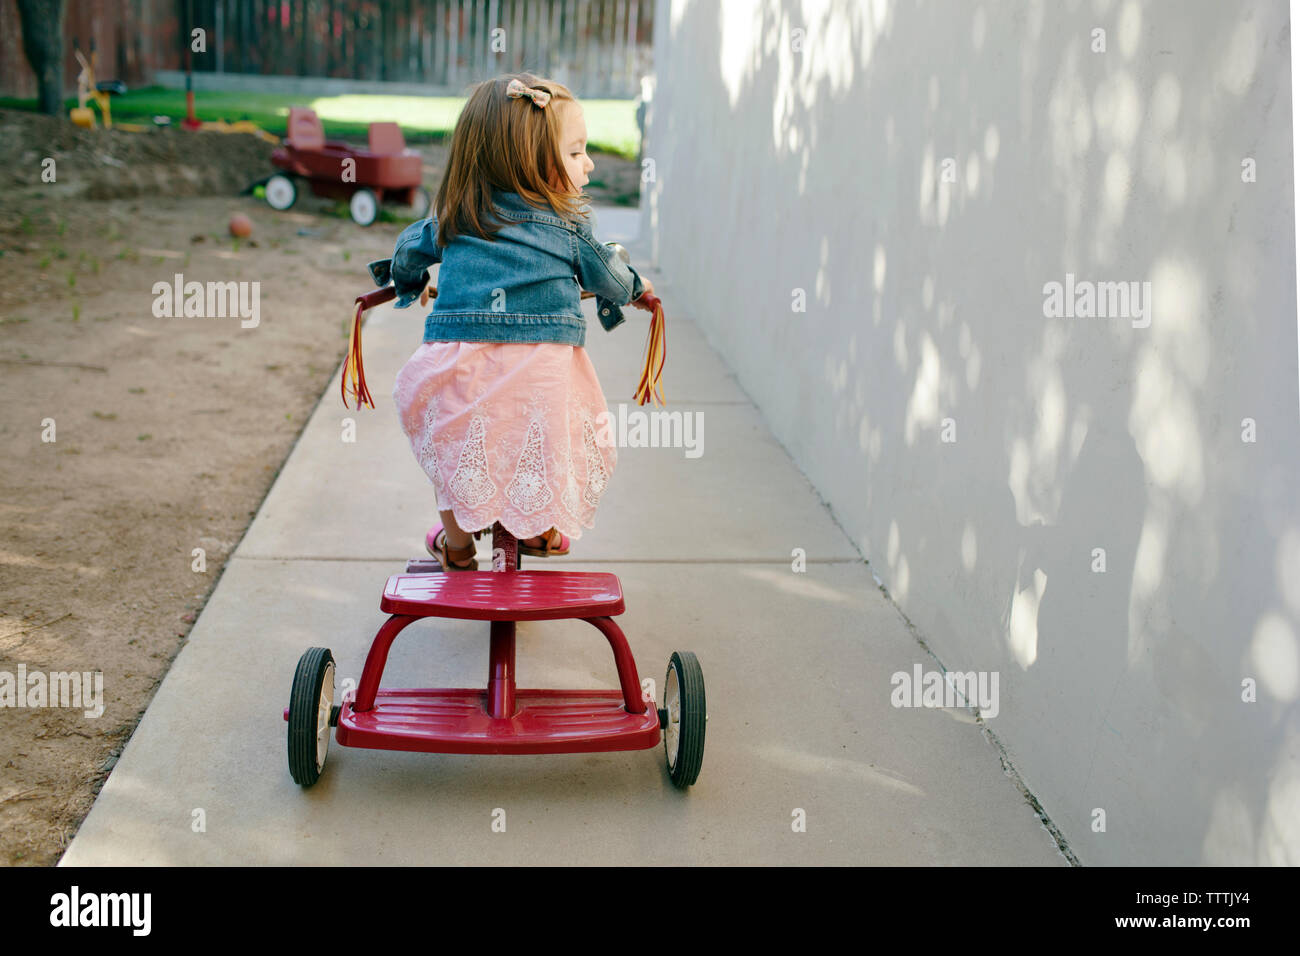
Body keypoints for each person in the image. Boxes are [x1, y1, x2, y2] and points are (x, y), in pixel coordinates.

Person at [390, 73, 654, 570]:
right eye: (576, 153)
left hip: (459, 372)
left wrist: (409, 283)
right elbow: (613, 280)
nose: (590, 163)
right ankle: (544, 531)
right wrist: (638, 290)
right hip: (540, 378)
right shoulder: (572, 229)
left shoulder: (455, 215)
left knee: (454, 448)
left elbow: (407, 252)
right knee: (551, 432)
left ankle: (459, 546)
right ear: (531, 163)